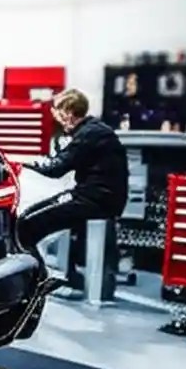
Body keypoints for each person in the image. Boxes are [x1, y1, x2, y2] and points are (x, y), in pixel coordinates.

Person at [17, 88, 129, 278]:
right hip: (100, 197)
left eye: (59, 114)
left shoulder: (88, 135)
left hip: (94, 200)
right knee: (31, 215)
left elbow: (55, 169)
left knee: (25, 225)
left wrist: (21, 161)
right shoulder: (94, 130)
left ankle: (36, 278)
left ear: (68, 112)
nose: (58, 120)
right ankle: (66, 275)